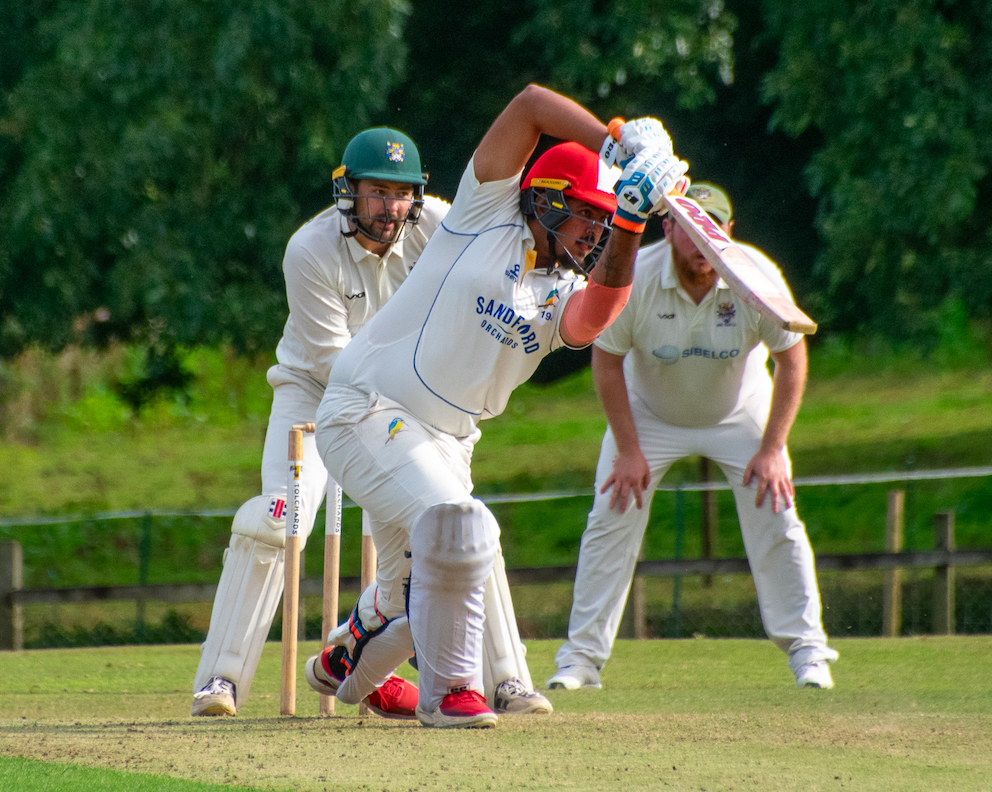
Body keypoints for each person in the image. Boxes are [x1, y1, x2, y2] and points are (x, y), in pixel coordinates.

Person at [305, 83, 689, 728]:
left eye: (605, 224)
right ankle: (451, 692)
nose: (596, 237)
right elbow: (531, 106)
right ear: (547, 200)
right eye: (588, 219)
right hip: (365, 407)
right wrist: (615, 142)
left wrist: (630, 219)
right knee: (461, 528)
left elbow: (595, 320)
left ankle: (346, 663)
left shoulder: (568, 286)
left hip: (447, 440)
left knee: (408, 599)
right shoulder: (486, 211)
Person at [191, 127, 449, 717]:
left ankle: (375, 670)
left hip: (402, 402)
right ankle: (221, 679)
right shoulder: (309, 248)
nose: (389, 207)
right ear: (349, 191)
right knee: (277, 521)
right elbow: (338, 365)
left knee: (437, 531)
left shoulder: (437, 225)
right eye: (377, 192)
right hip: (313, 396)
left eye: (402, 193)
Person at [546, 182, 839, 692]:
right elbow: (607, 359)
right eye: (689, 228)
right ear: (668, 228)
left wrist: (771, 450)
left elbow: (791, 357)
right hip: (647, 415)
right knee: (609, 518)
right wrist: (630, 450)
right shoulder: (632, 275)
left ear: (727, 232)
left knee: (778, 513)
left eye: (712, 229)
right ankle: (581, 662)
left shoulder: (756, 275)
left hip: (739, 412)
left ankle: (808, 651)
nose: (701, 241)